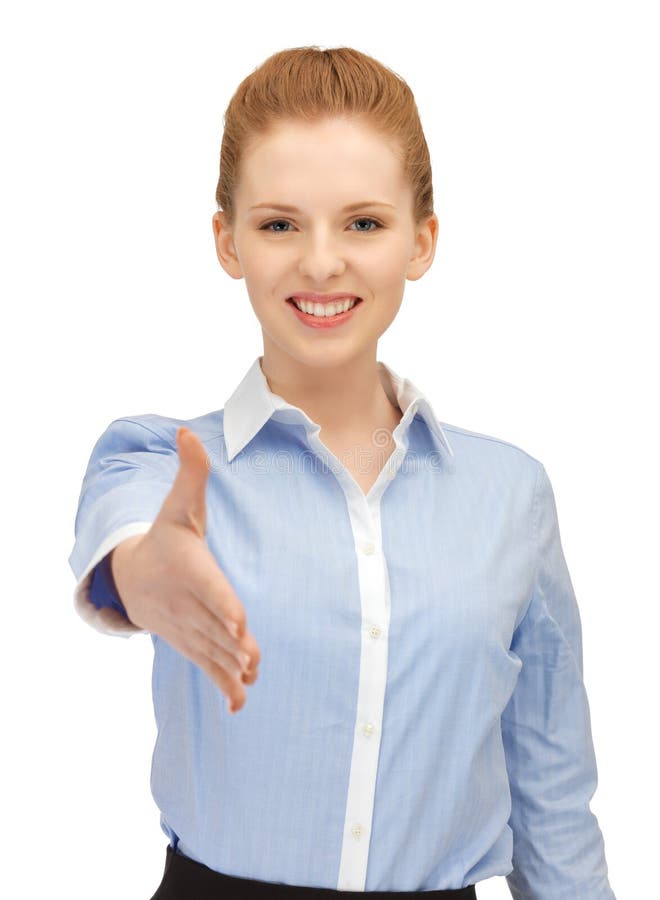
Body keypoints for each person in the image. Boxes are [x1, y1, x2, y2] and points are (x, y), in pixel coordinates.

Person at [68, 46, 616, 900]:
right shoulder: (159, 457)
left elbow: (550, 795)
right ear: (228, 242)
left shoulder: (511, 496)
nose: (322, 263)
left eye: (363, 223)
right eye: (279, 224)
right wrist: (144, 577)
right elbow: (128, 550)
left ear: (421, 241)